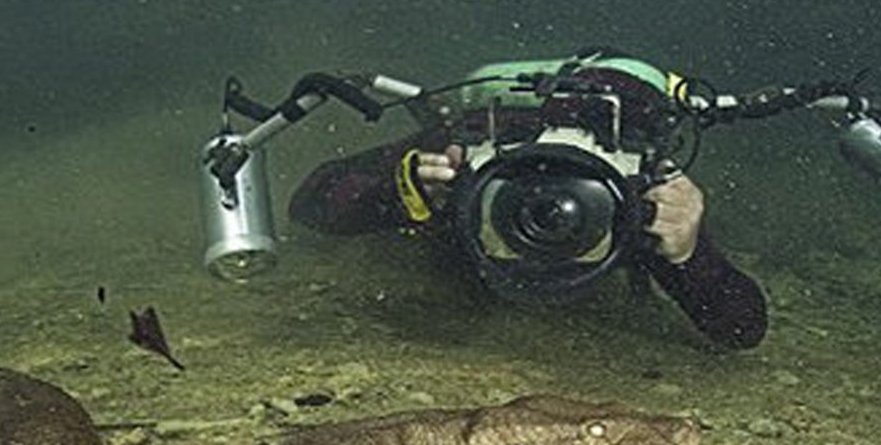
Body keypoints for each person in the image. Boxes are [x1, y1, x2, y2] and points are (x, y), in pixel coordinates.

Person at [288, 62, 767, 350]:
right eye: (529, 182)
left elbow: (741, 328)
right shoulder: (469, 154)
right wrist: (399, 192)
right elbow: (311, 204)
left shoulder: (634, 195)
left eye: (575, 191)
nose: (550, 207)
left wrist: (687, 252)